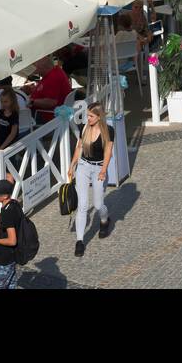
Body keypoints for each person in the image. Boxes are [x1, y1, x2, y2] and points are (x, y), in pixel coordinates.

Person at [68, 103, 113, 257]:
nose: (88, 118)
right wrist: (73, 164)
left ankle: (105, 220)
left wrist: (103, 170)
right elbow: (79, 147)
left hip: (99, 168)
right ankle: (80, 241)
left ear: (99, 116)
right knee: (82, 204)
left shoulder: (108, 131)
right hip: (84, 166)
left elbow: (108, 152)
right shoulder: (85, 128)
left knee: (99, 204)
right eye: (87, 115)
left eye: (91, 116)